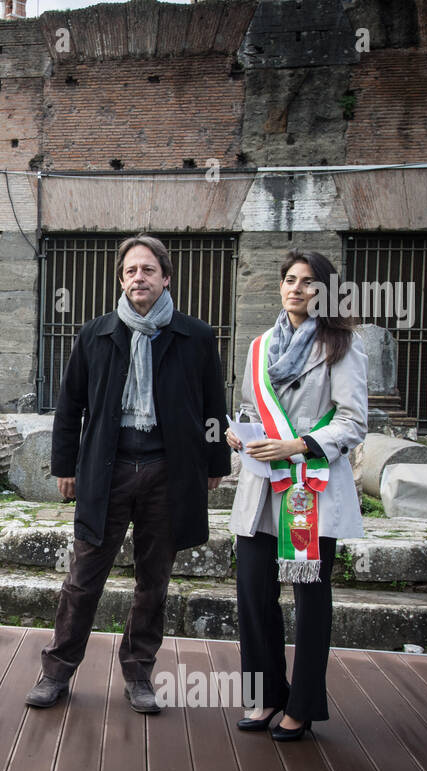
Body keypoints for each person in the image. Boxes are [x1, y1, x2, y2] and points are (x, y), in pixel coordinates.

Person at [26, 234, 230, 712]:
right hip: (107, 471)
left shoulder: (194, 336)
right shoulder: (96, 334)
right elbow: (70, 404)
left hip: (167, 472)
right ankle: (56, 671)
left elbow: (212, 405)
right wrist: (64, 464)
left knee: (153, 581)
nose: (139, 278)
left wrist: (215, 462)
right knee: (82, 577)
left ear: (166, 277)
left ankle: (139, 674)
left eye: (148, 270)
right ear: (121, 280)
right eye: (130, 271)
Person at [226, 250, 367, 741]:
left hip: (310, 487)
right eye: (289, 279)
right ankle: (266, 695)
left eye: (308, 282)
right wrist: (239, 434)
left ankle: (302, 705)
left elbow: (353, 421)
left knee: (309, 597)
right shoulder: (260, 346)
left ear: (323, 291)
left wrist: (300, 444)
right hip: (262, 488)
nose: (296, 288)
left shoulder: (342, 346)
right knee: (252, 593)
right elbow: (248, 406)